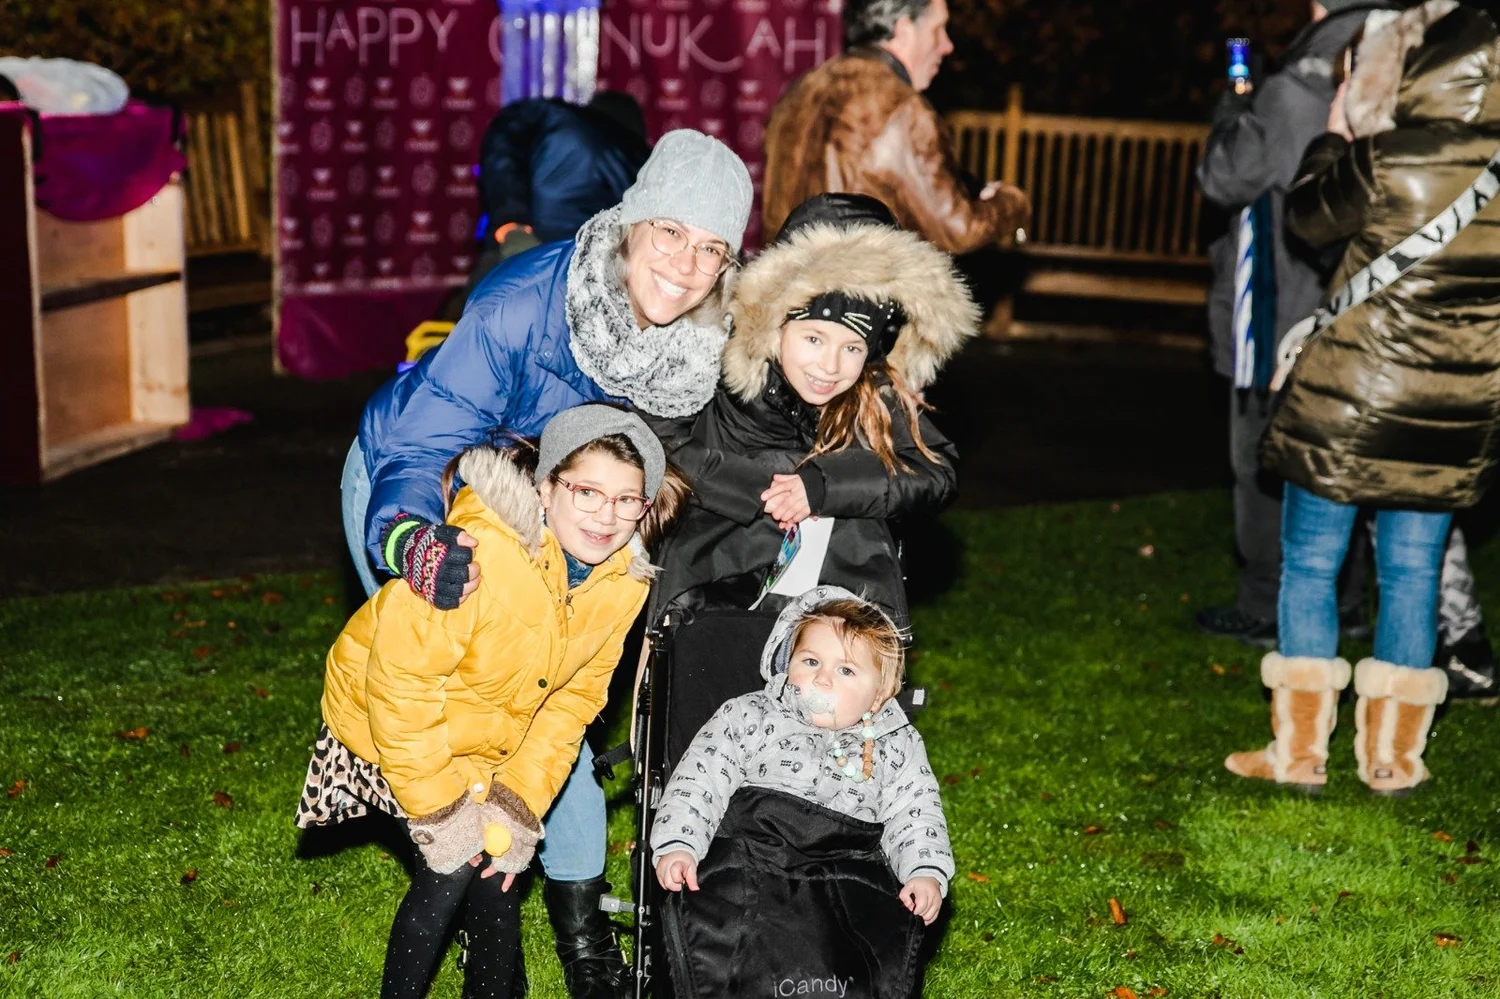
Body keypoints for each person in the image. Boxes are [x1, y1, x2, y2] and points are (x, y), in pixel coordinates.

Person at [338, 129, 752, 996]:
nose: (685, 264)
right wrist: (409, 542)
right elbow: (423, 442)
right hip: (424, 484)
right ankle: (455, 902)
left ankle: (578, 950)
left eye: (712, 248)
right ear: (634, 220)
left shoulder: (702, 345)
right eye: (672, 232)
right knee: (458, 700)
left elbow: (730, 442)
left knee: (552, 711)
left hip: (579, 514)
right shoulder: (528, 303)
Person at [300, 406, 687, 998]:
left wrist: (517, 802)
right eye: (586, 491)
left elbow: (572, 704)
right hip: (386, 721)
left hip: (482, 734)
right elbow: (401, 682)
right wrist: (438, 809)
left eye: (626, 500)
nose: (606, 517)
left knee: (498, 869)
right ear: (545, 486)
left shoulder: (623, 583)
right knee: (450, 866)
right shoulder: (477, 554)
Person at [1225, 0, 1500, 796]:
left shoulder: (1390, 157)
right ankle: (1393, 760)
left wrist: (1336, 132)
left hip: (1352, 397)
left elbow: (1310, 219)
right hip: (1455, 408)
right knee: (1411, 572)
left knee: (1311, 565)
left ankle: (1300, 754)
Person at [650, 193, 976, 632]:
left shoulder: (872, 394)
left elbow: (935, 473)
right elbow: (659, 435)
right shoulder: (719, 369)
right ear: (775, 325)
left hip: (829, 607)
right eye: (814, 340)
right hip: (713, 585)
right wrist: (756, 489)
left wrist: (823, 487)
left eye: (852, 348)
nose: (830, 366)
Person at [651, 587, 951, 995]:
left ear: (878, 694)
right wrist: (680, 843)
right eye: (810, 661)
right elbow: (701, 778)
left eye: (846, 671)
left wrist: (924, 872)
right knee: (722, 921)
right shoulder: (750, 715)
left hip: (847, 865)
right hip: (752, 850)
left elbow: (916, 811)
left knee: (869, 946)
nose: (822, 678)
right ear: (785, 664)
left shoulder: (894, 743)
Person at [760, 0, 1028, 253]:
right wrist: (1010, 201)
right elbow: (960, 230)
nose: (947, 46)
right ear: (903, 29)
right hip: (861, 296)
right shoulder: (902, 107)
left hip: (788, 293)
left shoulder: (799, 93)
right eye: (938, 29)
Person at [468, 92, 649, 286]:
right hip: (587, 276)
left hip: (523, 250)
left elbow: (503, 144)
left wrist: (511, 222)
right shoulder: (646, 165)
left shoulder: (557, 118)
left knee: (486, 309)